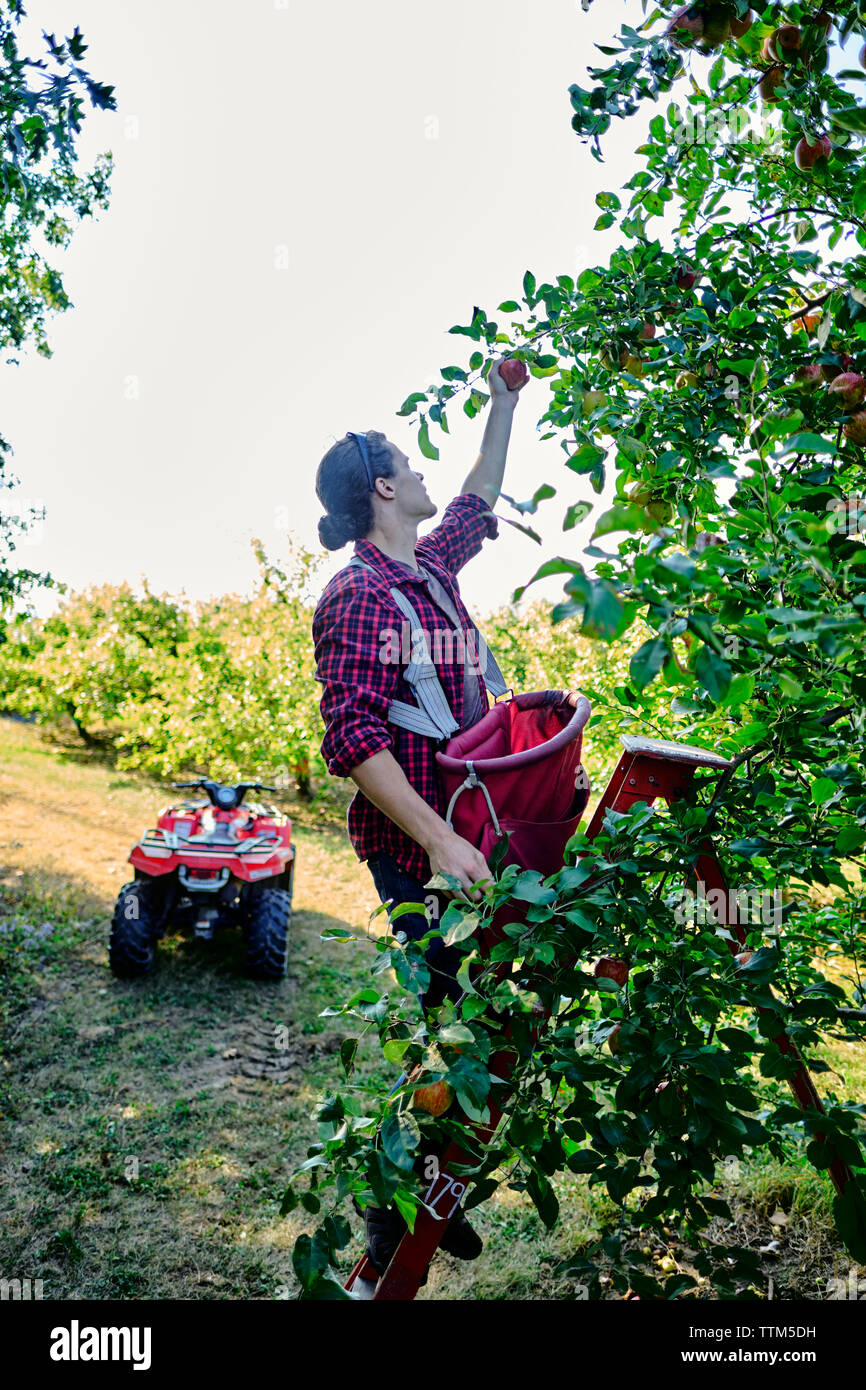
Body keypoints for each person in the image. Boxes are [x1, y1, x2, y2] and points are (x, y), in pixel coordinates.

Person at [312, 356, 526, 1279]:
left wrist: (502, 405)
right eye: (414, 462)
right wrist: (438, 844)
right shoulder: (356, 594)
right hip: (421, 853)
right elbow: (353, 740)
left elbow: (479, 493)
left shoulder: (430, 568)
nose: (432, 476)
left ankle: (430, 1184)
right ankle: (385, 1196)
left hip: (471, 837)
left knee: (477, 1019)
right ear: (386, 488)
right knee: (446, 1023)